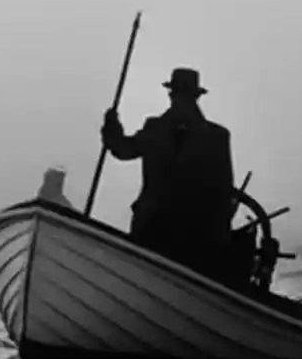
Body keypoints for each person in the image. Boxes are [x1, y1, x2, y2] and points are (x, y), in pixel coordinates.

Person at [100, 67, 236, 280]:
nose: (176, 98)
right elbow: (122, 149)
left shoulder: (214, 137)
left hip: (189, 238)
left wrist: (219, 239)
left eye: (180, 94)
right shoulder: (157, 128)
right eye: (176, 94)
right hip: (157, 231)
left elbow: (223, 191)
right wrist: (112, 127)